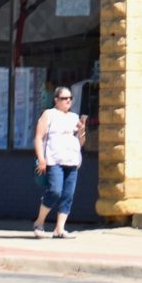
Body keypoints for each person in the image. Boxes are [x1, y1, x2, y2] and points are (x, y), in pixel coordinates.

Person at [32, 85, 85, 238]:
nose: (68, 101)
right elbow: (38, 137)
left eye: (70, 98)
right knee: (55, 191)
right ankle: (39, 222)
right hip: (54, 160)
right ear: (56, 100)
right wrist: (41, 159)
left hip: (72, 160)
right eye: (64, 98)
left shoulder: (74, 117)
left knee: (68, 194)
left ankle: (59, 228)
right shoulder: (49, 114)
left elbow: (80, 143)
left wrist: (81, 132)